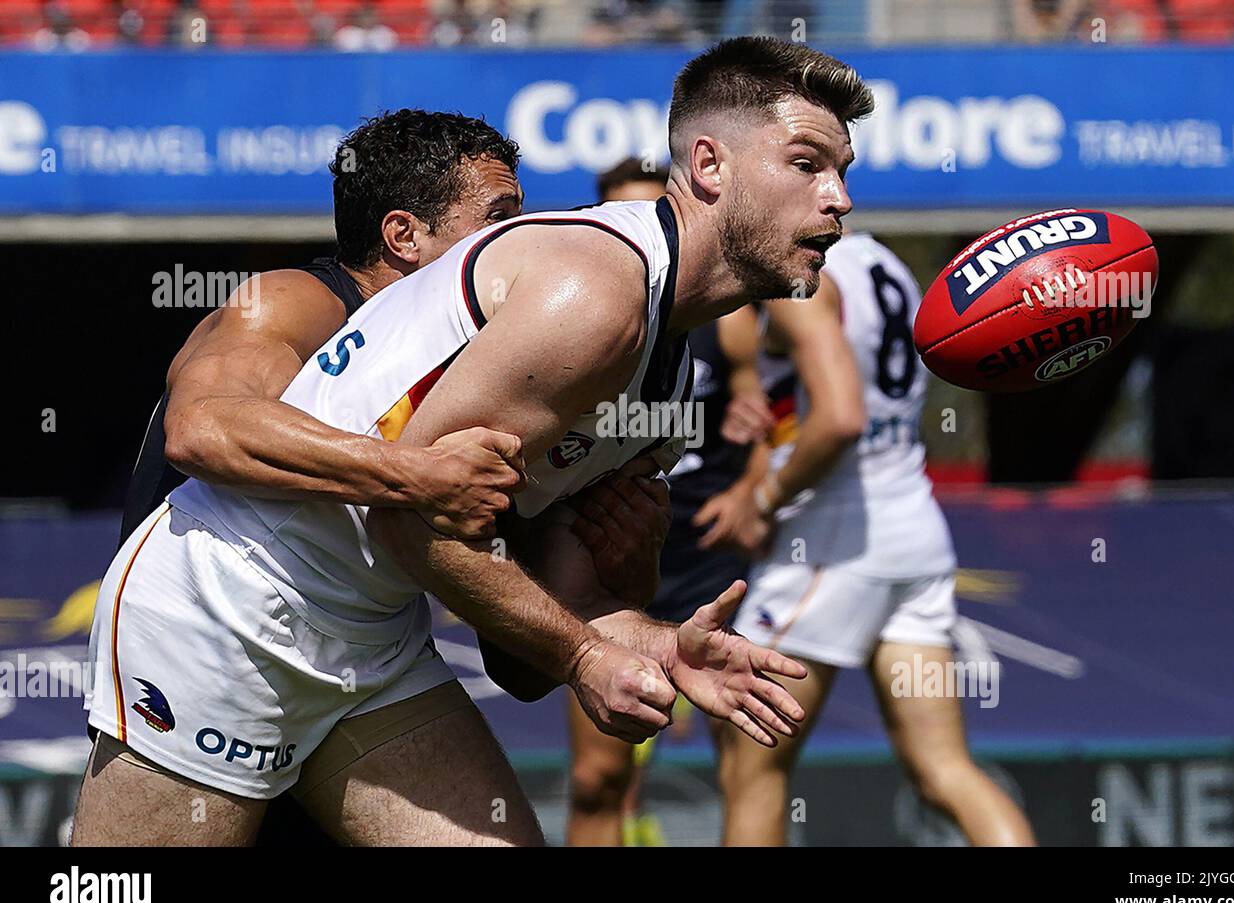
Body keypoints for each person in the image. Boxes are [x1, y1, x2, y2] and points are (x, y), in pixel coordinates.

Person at [74, 35, 871, 845]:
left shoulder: (665, 381)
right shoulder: (593, 295)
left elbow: (519, 653)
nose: (839, 199)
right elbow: (407, 514)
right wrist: (584, 656)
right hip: (225, 607)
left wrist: (651, 637)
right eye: (808, 164)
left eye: (845, 171)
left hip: (374, 637)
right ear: (708, 164)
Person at [706, 233, 1037, 846]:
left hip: (834, 547)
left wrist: (762, 500)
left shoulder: (803, 278)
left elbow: (839, 417)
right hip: (915, 535)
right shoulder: (889, 265)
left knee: (751, 769)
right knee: (945, 771)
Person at [563, 157, 770, 846]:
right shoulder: (568, 317)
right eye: (618, 215)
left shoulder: (725, 316)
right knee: (600, 778)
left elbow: (759, 416)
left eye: (651, 213)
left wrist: (750, 490)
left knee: (747, 761)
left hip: (705, 555)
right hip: (606, 559)